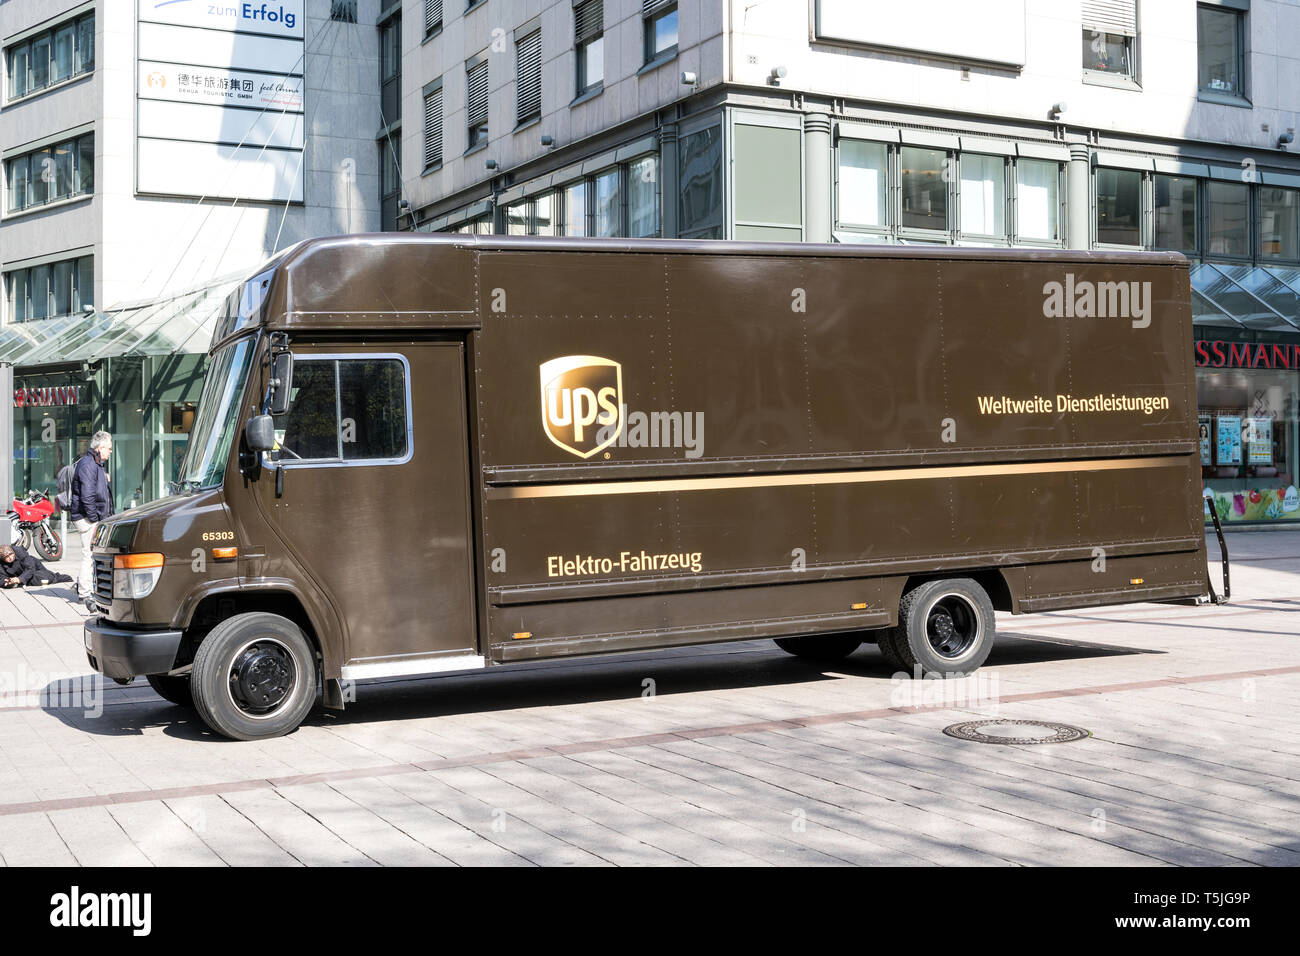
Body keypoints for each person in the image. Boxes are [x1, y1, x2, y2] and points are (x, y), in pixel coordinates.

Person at [70, 430, 114, 610]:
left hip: (91, 517)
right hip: (88, 518)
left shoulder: (95, 464)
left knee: (92, 554)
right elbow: (87, 496)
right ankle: (84, 592)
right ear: (100, 447)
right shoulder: (88, 464)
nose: (110, 452)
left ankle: (84, 586)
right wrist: (95, 519)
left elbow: (94, 490)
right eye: (109, 449)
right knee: (89, 554)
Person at [0, 543, 73, 588]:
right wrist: (5, 581)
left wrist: (19, 579)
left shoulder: (19, 551)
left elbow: (30, 568)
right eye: (7, 557)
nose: (10, 557)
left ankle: (57, 577)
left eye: (11, 554)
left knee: (41, 578)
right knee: (33, 581)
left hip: (35, 568)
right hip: (18, 574)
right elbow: (2, 575)